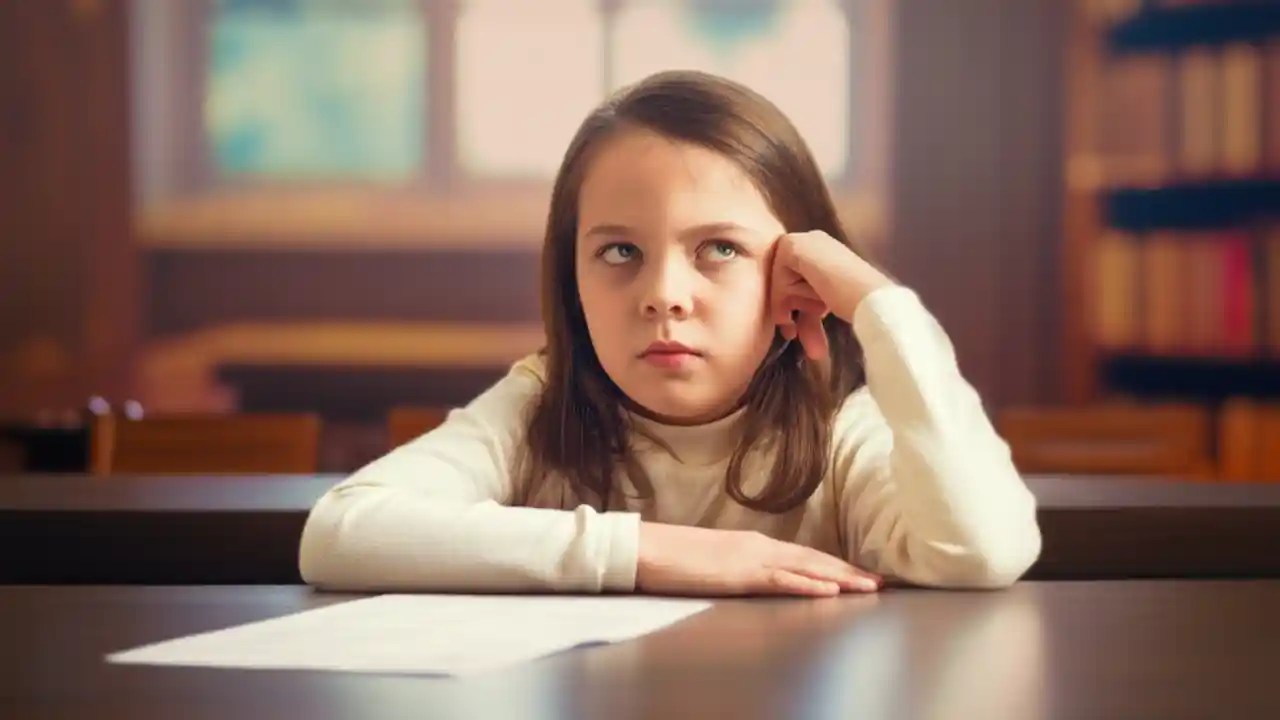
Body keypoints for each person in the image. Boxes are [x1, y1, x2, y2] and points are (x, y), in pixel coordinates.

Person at [299, 70, 1041, 597]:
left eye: (719, 249)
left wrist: (881, 305)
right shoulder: (539, 406)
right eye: (619, 252)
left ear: (797, 276)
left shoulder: (841, 426)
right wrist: (654, 553)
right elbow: (341, 532)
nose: (662, 297)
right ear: (573, 279)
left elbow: (981, 551)